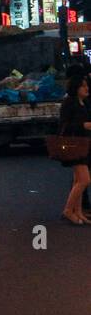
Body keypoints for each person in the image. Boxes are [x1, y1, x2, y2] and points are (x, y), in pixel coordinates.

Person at [58, 74, 91, 226]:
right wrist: (83, 126)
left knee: (78, 180)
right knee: (84, 180)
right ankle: (68, 210)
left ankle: (78, 212)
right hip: (73, 145)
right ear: (76, 88)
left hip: (83, 145)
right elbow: (64, 125)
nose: (86, 88)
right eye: (83, 86)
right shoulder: (69, 103)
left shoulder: (82, 103)